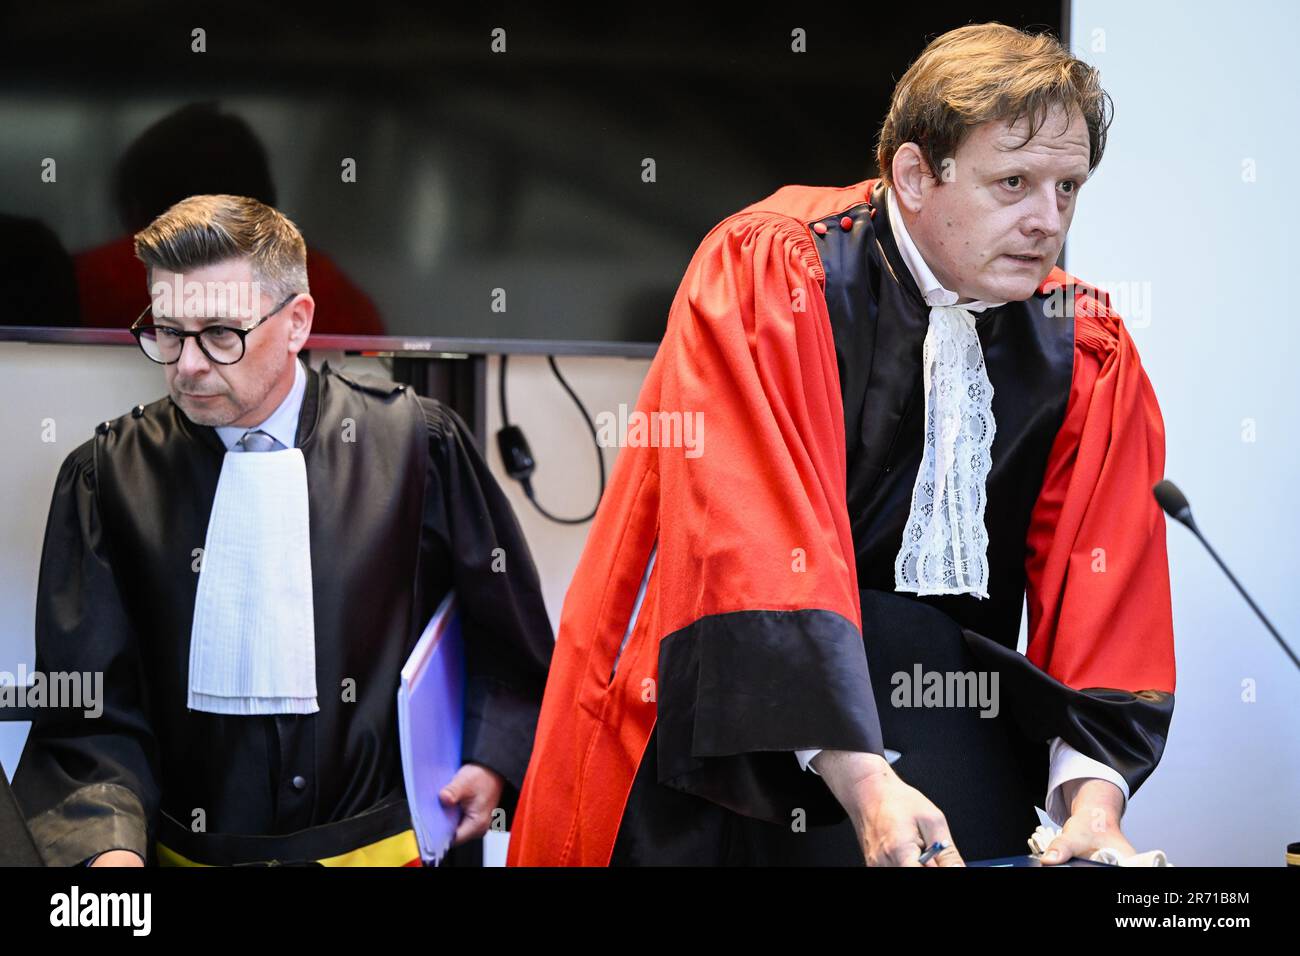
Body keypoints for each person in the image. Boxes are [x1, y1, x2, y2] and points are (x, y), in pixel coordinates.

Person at [506, 22, 1175, 867]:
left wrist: (1093, 802)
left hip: (945, 705)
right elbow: (752, 547)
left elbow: (1109, 593)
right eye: (1013, 183)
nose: (1048, 221)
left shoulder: (1080, 342)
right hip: (724, 704)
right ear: (913, 173)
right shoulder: (777, 271)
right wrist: (865, 783)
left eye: (1068, 188)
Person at [13, 194, 554, 866]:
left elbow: (512, 646)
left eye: (220, 334)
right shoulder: (107, 477)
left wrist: (490, 757)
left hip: (387, 850)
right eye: (168, 332)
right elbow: (88, 713)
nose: (186, 365)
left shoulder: (418, 446)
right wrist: (108, 848)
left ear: (297, 321)